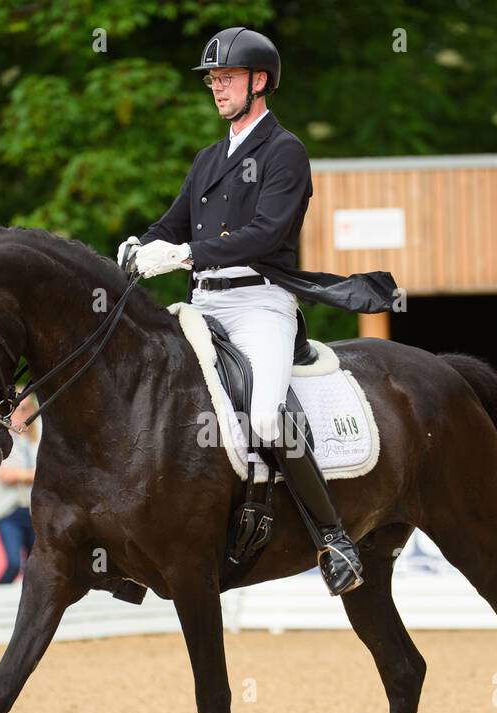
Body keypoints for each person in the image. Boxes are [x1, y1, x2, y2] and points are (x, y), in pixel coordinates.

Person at [116, 27, 397, 596]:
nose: (216, 88)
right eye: (212, 80)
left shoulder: (285, 151)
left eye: (226, 78)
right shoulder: (208, 158)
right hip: (202, 303)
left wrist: (188, 253)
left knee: (266, 417)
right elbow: (172, 224)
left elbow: (265, 233)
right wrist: (140, 246)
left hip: (260, 303)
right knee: (147, 394)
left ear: (258, 81)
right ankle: (136, 541)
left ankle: (333, 537)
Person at [0, 394, 38, 585]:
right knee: (12, 563)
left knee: (35, 566)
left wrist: (21, 474)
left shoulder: (38, 440)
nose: (19, 412)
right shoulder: (1, 441)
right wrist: (31, 475)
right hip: (9, 511)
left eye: (25, 408)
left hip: (33, 511)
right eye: (15, 408)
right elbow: (4, 476)